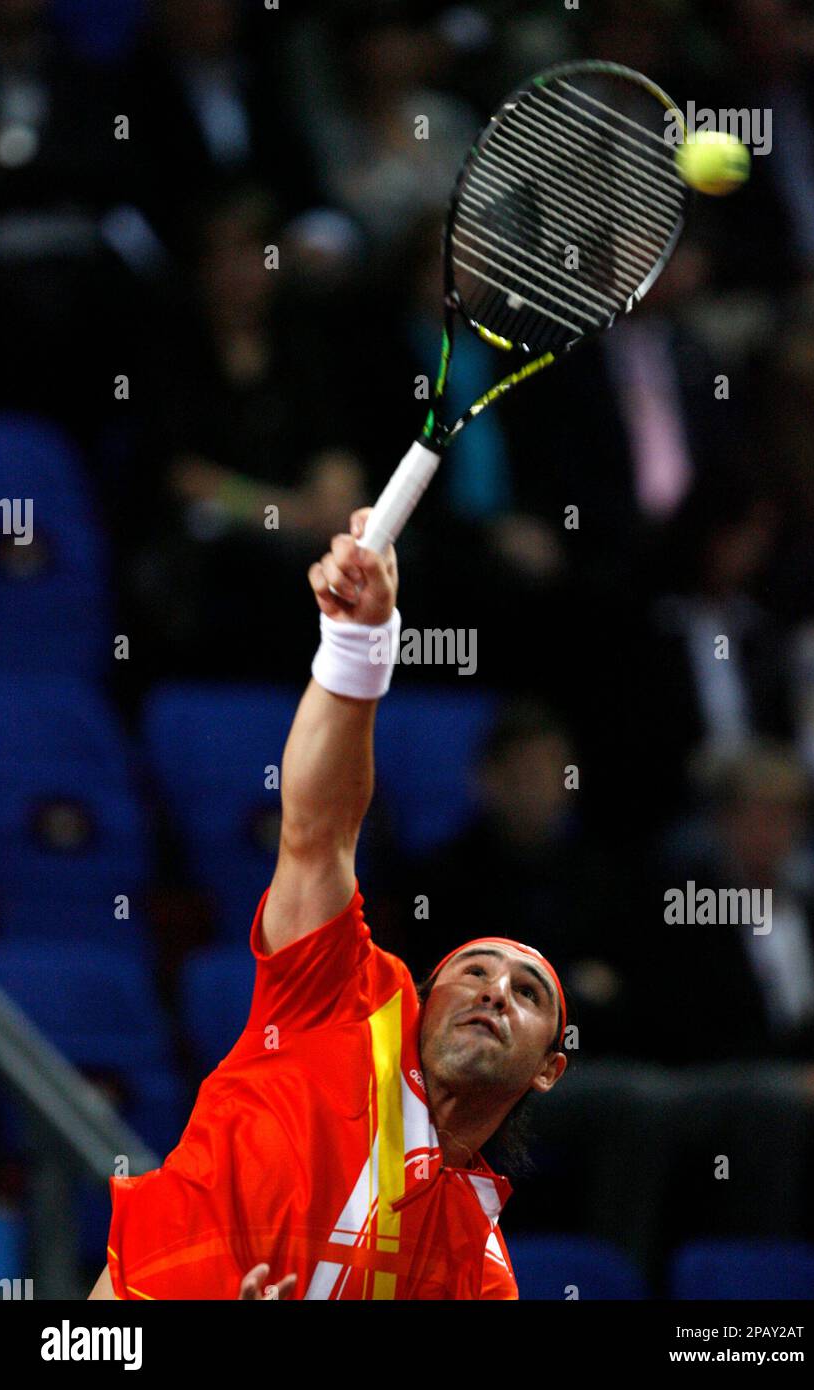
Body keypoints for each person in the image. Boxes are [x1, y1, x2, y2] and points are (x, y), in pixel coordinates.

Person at [89, 505, 568, 1300]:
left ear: (548, 1068)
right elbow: (316, 830)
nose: (494, 990)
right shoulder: (339, 1004)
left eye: (528, 994)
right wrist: (360, 645)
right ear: (421, 1002)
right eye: (474, 971)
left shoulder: (475, 1276)